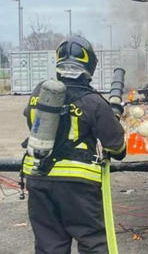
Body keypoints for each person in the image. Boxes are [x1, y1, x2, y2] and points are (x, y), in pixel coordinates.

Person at [21, 36, 126, 254]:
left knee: (49, 245)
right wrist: (113, 118)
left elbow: (30, 119)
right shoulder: (93, 101)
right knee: (92, 242)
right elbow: (117, 149)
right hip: (77, 186)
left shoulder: (40, 94)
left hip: (38, 178)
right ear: (89, 65)